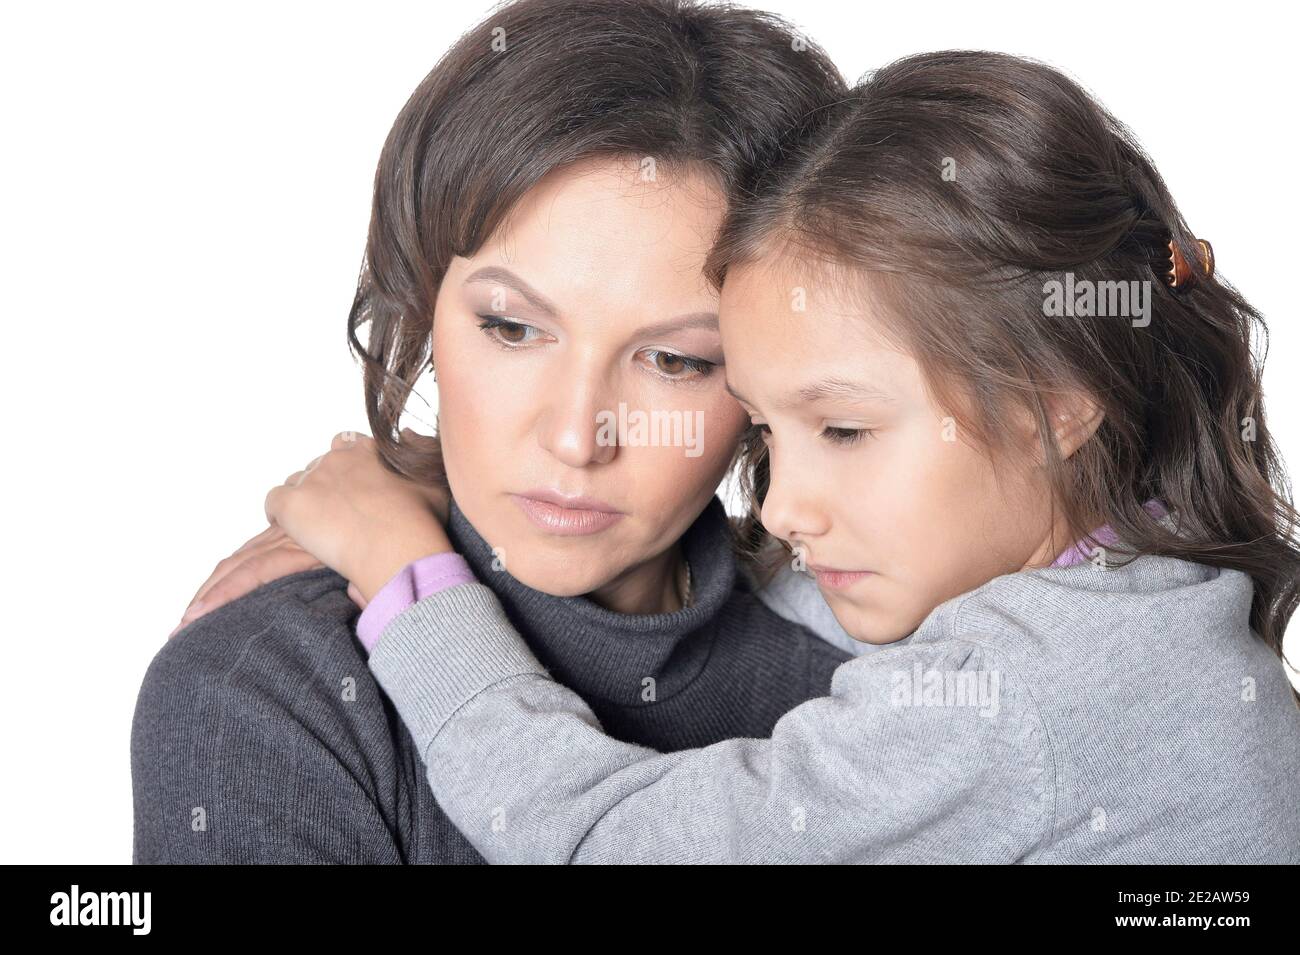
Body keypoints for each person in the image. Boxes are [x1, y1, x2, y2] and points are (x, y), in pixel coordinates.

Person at [260, 51, 1300, 863]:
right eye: (762, 431)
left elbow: (602, 844)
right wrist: (448, 491)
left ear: (1055, 409)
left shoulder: (1018, 698)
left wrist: (409, 580)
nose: (787, 509)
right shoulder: (1144, 593)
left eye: (841, 430)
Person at [130, 0, 860, 864]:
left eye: (674, 359)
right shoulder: (267, 691)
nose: (576, 437)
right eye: (512, 329)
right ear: (425, 306)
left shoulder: (900, 682)